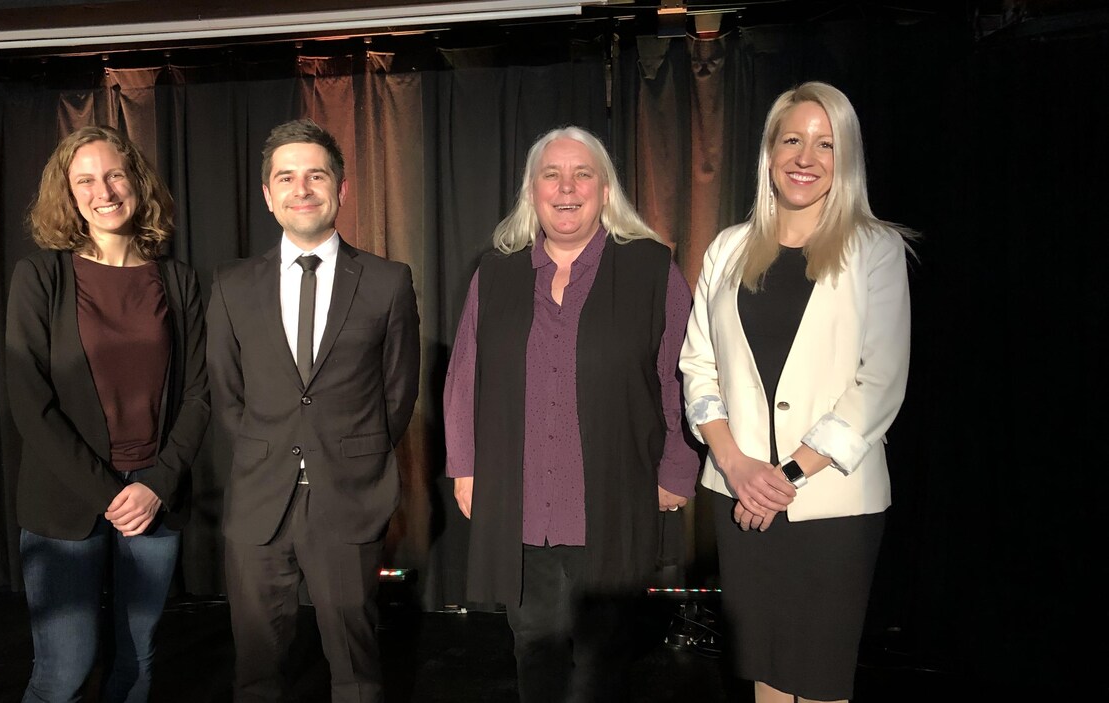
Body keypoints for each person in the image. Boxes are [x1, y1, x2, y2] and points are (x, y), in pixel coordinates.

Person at [443, 126, 699, 703]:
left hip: (615, 495)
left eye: (582, 174)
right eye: (550, 175)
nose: (566, 188)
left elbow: (680, 376)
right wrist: (465, 465)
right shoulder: (496, 271)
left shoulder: (652, 270)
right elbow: (465, 376)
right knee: (533, 647)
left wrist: (677, 469)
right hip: (520, 498)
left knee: (604, 662)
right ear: (531, 193)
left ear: (605, 190)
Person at [679, 81, 912, 703]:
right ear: (770, 152)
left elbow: (879, 384)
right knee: (766, 676)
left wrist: (782, 477)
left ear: (846, 160)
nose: (805, 157)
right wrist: (735, 465)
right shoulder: (727, 249)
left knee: (820, 678)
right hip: (740, 497)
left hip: (832, 505)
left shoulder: (876, 251)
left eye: (825, 143)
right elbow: (698, 368)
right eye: (793, 139)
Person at [206, 118, 420, 703]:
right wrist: (269, 450)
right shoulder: (230, 286)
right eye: (286, 177)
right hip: (258, 502)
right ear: (268, 195)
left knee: (355, 666)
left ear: (341, 189)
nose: (302, 189)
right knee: (255, 669)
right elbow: (226, 395)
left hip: (349, 498)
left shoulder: (388, 282)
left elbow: (398, 395)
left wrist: (350, 455)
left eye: (316, 176)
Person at [5, 125, 210, 702]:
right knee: (64, 671)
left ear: (137, 182)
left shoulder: (177, 279)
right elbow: (31, 402)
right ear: (67, 195)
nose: (104, 190)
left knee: (137, 664)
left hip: (154, 499)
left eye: (115, 174)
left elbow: (200, 393)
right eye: (85, 179)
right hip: (65, 503)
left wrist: (156, 486)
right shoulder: (40, 278)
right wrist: (107, 494)